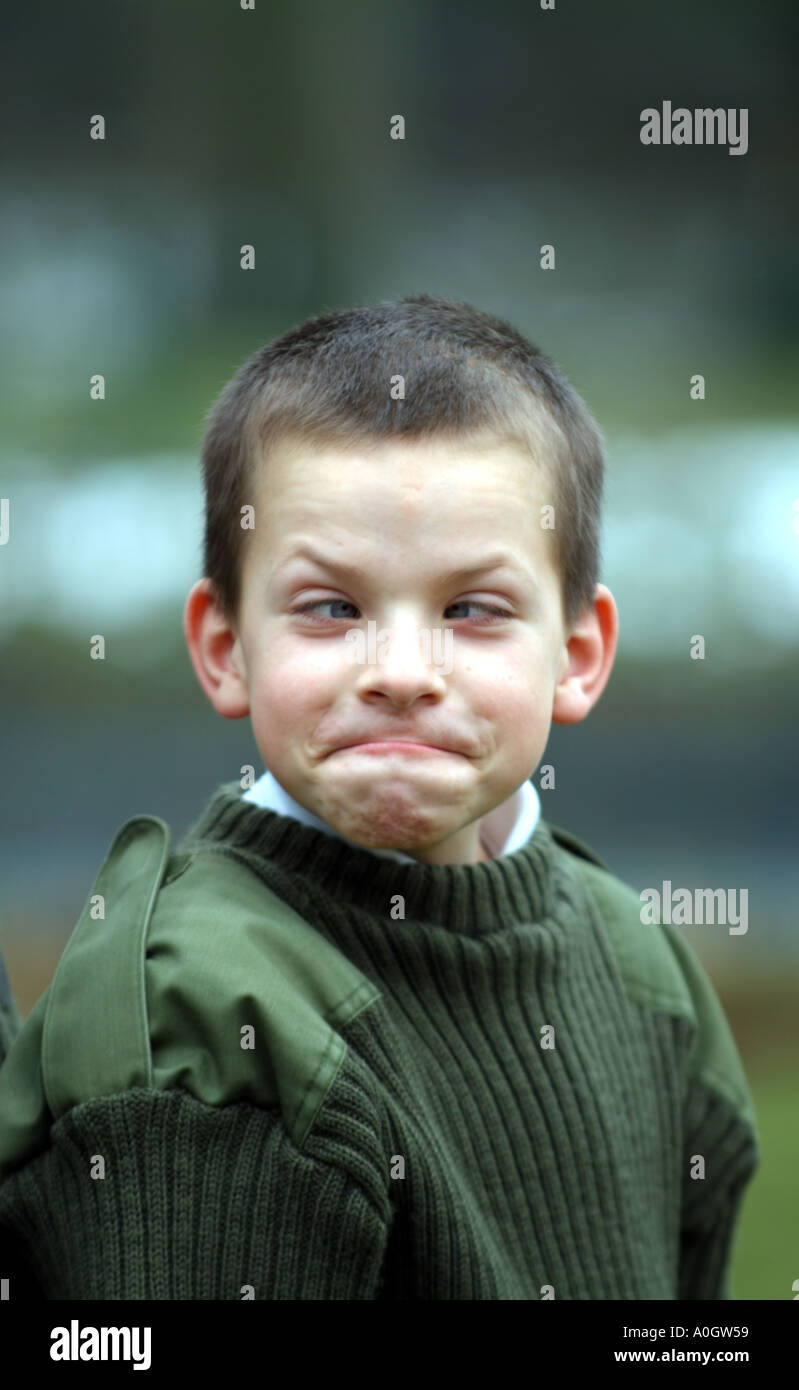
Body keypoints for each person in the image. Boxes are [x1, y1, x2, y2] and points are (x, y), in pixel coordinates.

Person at [0, 295, 760, 1299]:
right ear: (226, 648)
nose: (401, 668)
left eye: (471, 609)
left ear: (576, 657)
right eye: (332, 607)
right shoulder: (210, 1035)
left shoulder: (642, 971)